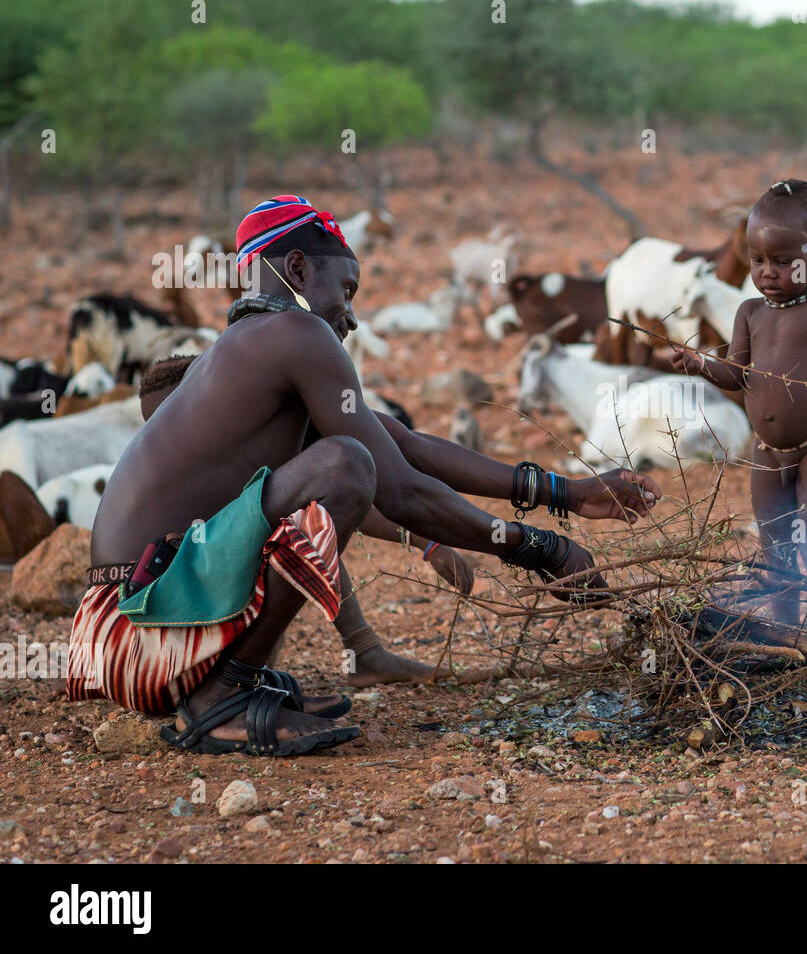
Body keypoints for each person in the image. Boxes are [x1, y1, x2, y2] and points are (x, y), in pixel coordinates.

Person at [66, 194, 660, 756]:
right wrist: (540, 550)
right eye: (346, 289)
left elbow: (404, 443)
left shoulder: (256, 344)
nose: (350, 315)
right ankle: (223, 698)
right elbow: (395, 485)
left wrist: (568, 493)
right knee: (345, 466)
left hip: (131, 630)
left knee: (350, 458)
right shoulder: (295, 334)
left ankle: (229, 681)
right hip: (140, 630)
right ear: (297, 268)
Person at [672, 180, 807, 633]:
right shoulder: (750, 312)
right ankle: (785, 636)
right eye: (758, 260)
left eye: (785, 263)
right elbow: (736, 376)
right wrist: (699, 364)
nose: (768, 272)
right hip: (765, 453)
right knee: (775, 549)